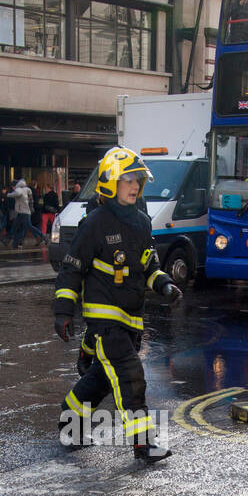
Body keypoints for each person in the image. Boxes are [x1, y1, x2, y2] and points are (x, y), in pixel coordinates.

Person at [53, 147, 182, 463]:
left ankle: (71, 420)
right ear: (110, 182)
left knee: (100, 379)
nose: (135, 185)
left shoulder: (141, 222)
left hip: (131, 322)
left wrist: (164, 284)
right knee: (129, 376)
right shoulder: (94, 223)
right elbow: (72, 269)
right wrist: (63, 311)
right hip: (104, 322)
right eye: (128, 179)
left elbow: (148, 265)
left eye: (137, 179)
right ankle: (144, 444)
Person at [8, 179, 45, 247]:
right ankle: (13, 242)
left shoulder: (19, 190)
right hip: (23, 211)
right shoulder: (27, 190)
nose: (13, 188)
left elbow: (17, 194)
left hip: (23, 212)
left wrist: (8, 194)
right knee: (18, 227)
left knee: (25, 227)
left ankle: (42, 236)